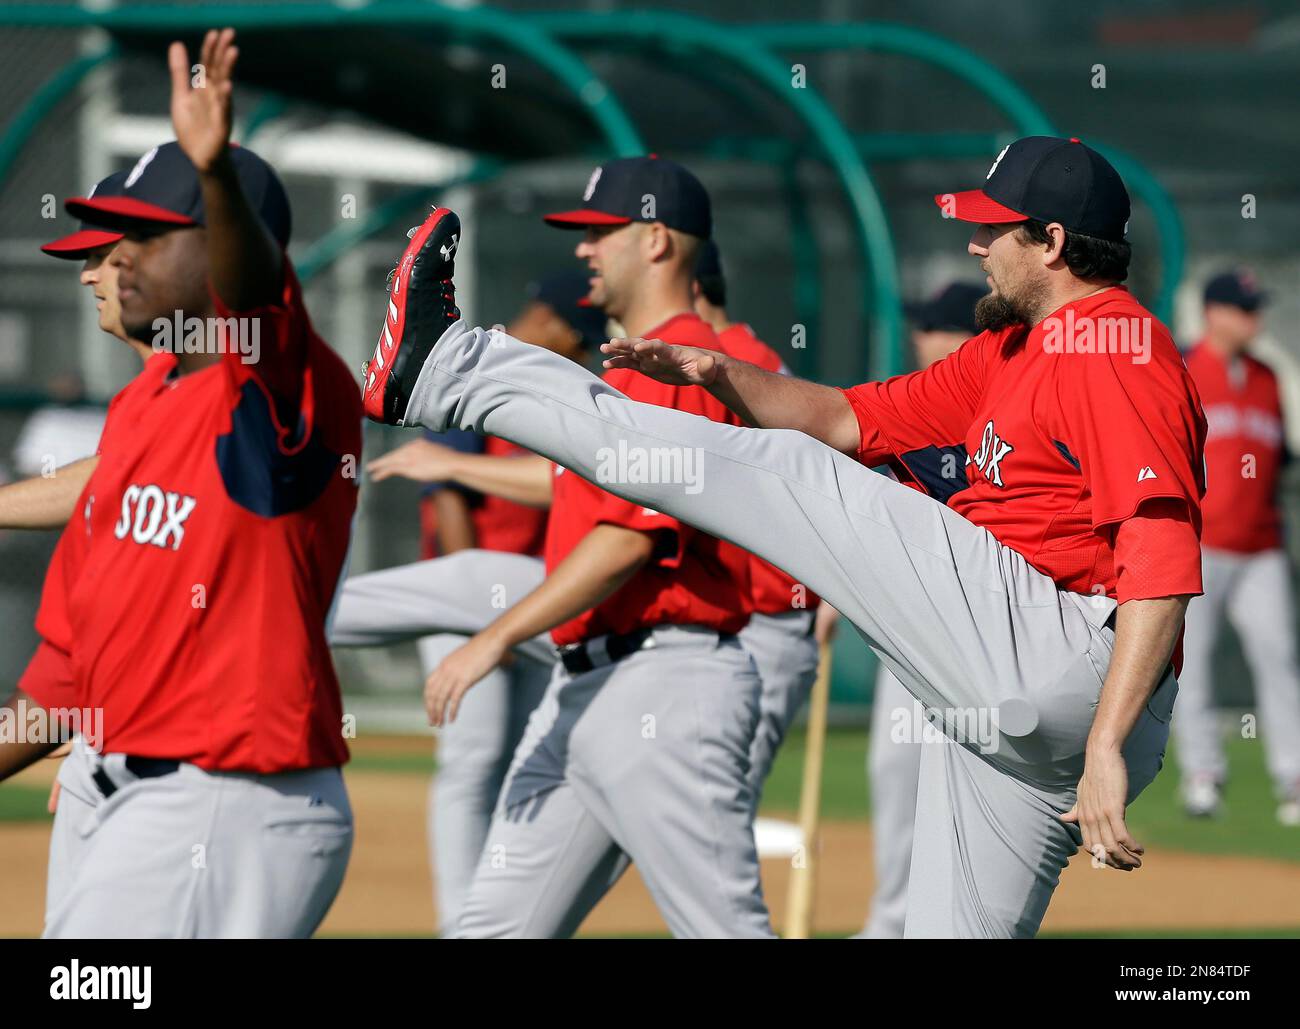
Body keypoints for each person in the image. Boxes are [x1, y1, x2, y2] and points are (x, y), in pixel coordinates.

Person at [363, 136, 1207, 938]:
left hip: (1065, 654)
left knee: (795, 481)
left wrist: (1104, 743)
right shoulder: (1012, 350)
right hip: (1019, 696)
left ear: (1052, 240)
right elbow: (844, 417)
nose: (976, 244)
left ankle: (451, 369)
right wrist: (723, 375)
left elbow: (1162, 559)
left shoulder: (1115, 343)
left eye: (991, 226)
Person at [1, 28, 359, 938]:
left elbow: (257, 298)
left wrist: (217, 179)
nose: (117, 259)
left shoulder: (281, 388)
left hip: (224, 803)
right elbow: (62, 685)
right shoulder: (142, 409)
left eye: (150, 236)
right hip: (127, 796)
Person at [367, 156, 776, 938]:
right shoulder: (627, 367)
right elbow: (581, 497)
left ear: (656, 240)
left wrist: (494, 635)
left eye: (599, 232)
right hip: (588, 684)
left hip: (667, 679)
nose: (583, 250)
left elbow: (629, 538)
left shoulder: (680, 360)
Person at [331, 271, 604, 934]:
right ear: (561, 326)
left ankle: (495, 911)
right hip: (472, 593)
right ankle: (463, 919)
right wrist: (486, 615)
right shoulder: (491, 365)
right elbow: (446, 494)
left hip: (538, 594)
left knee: (517, 759)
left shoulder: (561, 390)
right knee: (473, 756)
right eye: (582, 335)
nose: (584, 347)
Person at [859, 281, 985, 939]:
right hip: (913, 624)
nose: (919, 338)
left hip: (987, 628)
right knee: (895, 764)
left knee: (974, 780)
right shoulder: (909, 410)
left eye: (932, 327)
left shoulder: (1001, 408)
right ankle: (890, 923)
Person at [1175, 269, 1300, 824]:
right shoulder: (1182, 369)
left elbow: (1279, 464)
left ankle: (1293, 777)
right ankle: (1202, 775)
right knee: (1190, 662)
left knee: (1279, 657)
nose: (1255, 319)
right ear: (1214, 313)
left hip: (1261, 547)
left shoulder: (1269, 378)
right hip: (1200, 544)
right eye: (1244, 309)